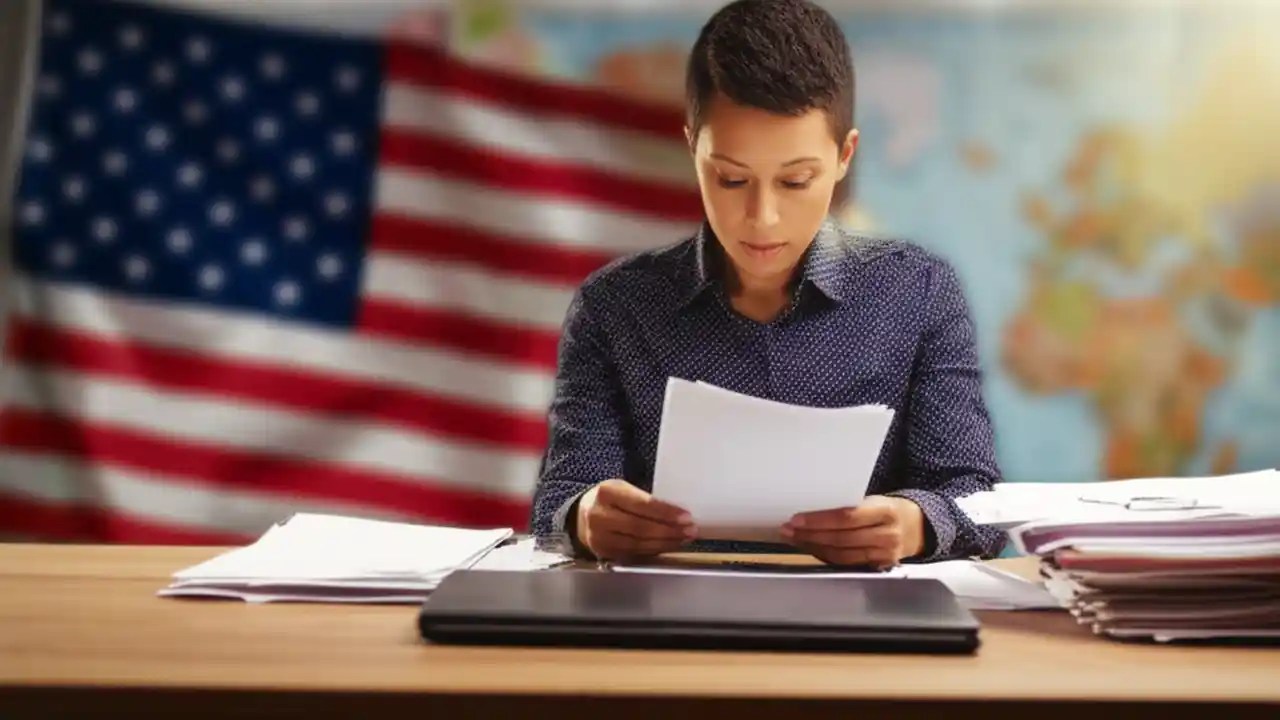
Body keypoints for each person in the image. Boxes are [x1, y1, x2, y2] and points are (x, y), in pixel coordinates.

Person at [530, 0, 1004, 567]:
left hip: (860, 623)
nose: (763, 218)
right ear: (693, 148)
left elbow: (977, 501)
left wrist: (914, 525)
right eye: (731, 179)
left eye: (796, 180)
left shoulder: (920, 295)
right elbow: (559, 503)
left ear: (844, 155)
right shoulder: (614, 307)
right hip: (664, 620)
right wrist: (586, 518)